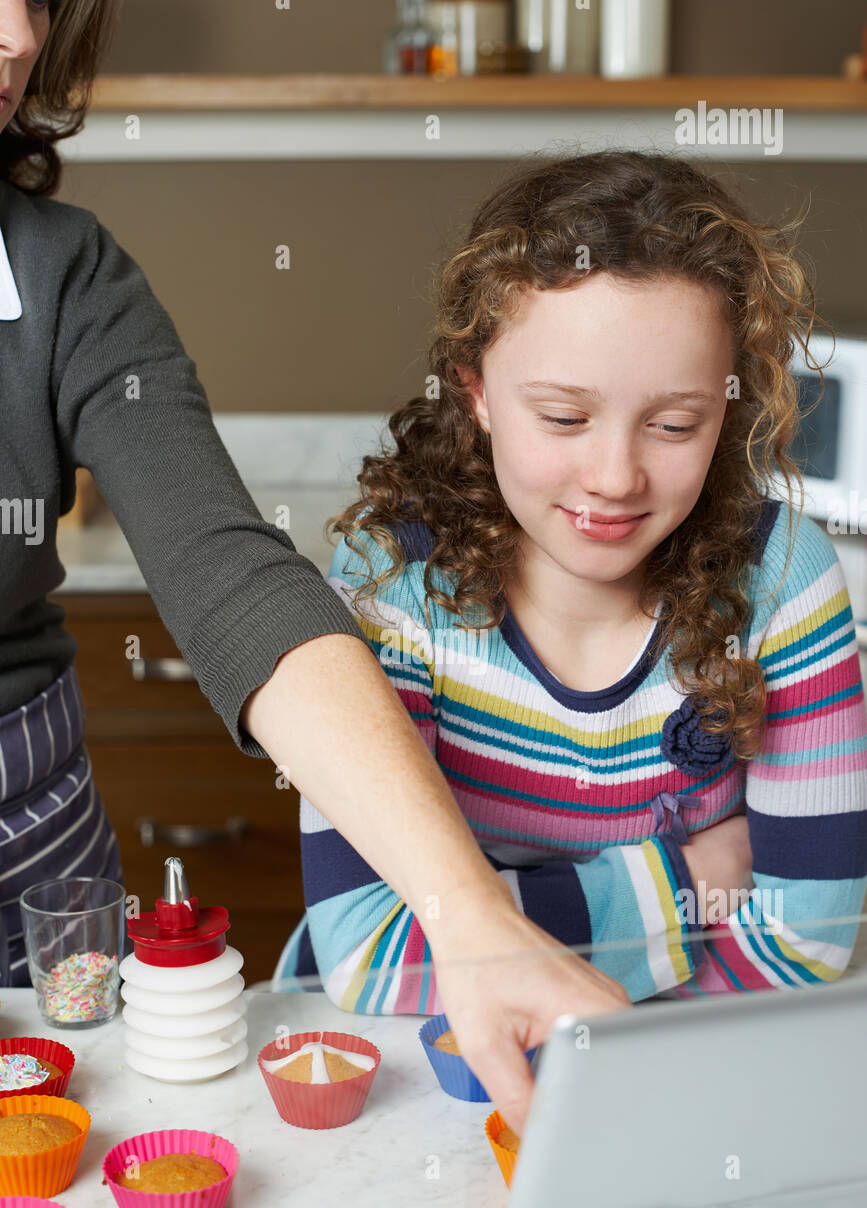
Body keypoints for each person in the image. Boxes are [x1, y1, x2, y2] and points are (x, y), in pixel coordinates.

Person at [0, 0, 634, 1136]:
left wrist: (471, 918)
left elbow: (236, 585)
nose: (16, 35)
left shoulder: (66, 280)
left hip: (32, 874)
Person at [276, 149, 867, 1016]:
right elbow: (371, 958)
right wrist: (701, 872)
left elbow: (808, 942)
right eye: (562, 417)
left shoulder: (783, 576)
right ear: (475, 391)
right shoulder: (391, 580)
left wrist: (497, 948)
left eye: (673, 423)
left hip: (671, 1064)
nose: (613, 477)